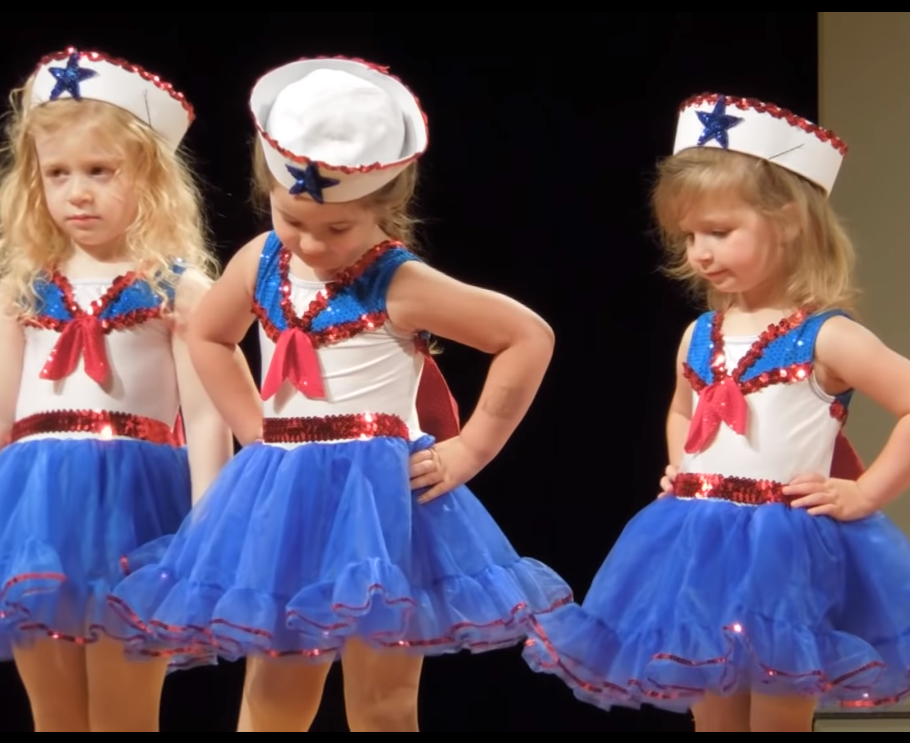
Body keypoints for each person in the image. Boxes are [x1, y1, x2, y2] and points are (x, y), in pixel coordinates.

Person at [105, 56, 573, 732]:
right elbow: (210, 338)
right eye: (293, 218)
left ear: (386, 206)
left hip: (379, 501)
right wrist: (254, 427)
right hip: (285, 496)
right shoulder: (260, 259)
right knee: (274, 692)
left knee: (382, 699)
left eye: (337, 229)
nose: (310, 242)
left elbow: (525, 337)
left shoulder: (400, 281)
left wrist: (468, 449)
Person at [522, 93, 910, 732]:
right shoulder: (700, 334)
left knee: (777, 714)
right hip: (694, 538)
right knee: (709, 710)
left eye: (719, 231)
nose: (700, 252)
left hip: (781, 548)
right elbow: (683, 409)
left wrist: (865, 493)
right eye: (689, 236)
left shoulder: (826, 336)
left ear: (789, 220)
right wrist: (682, 463)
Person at [0, 47, 231, 731]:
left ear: (152, 176)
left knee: (126, 712)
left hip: (138, 508)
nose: (78, 192)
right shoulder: (18, 290)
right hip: (34, 509)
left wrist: (207, 534)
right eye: (58, 173)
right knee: (54, 714)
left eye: (101, 171)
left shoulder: (182, 288)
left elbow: (208, 416)